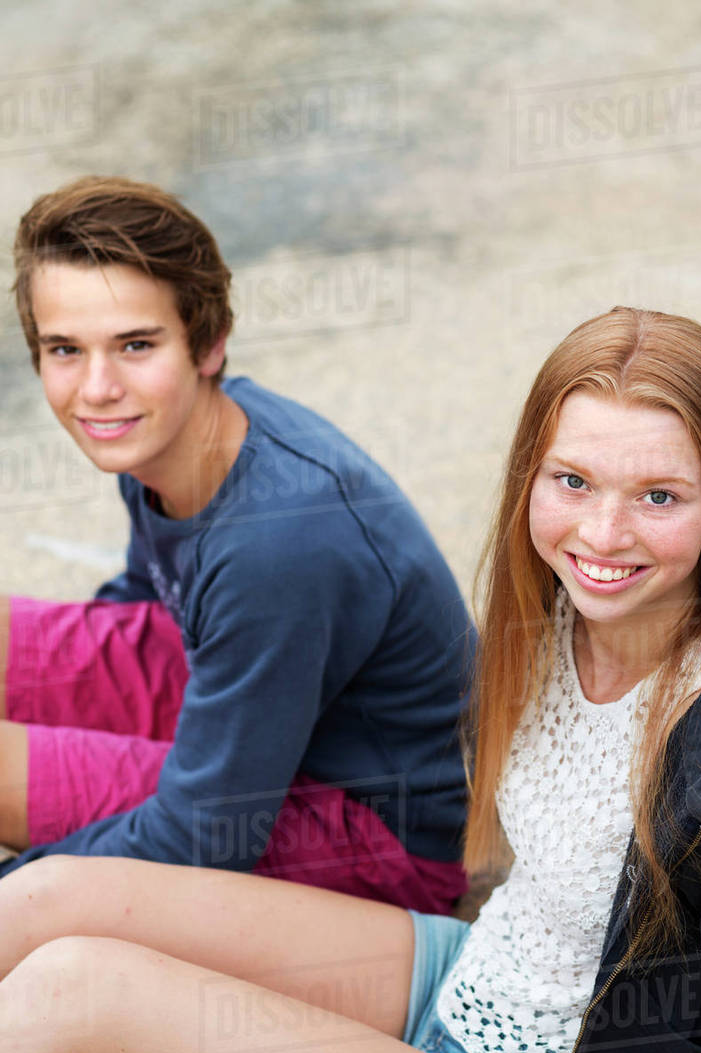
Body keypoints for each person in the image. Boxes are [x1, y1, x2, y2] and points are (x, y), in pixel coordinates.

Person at [1, 306, 701, 1053]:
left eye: (659, 495)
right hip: (467, 975)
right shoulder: (553, 614)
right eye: (572, 480)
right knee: (49, 897)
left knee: (74, 994)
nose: (603, 534)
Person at [0, 176, 473, 914]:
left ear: (209, 344)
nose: (96, 388)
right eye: (65, 349)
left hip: (372, 829)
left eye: (135, 345)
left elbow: (201, 842)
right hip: (239, 697)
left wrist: (25, 882)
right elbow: (146, 591)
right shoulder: (162, 441)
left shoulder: (278, 545)